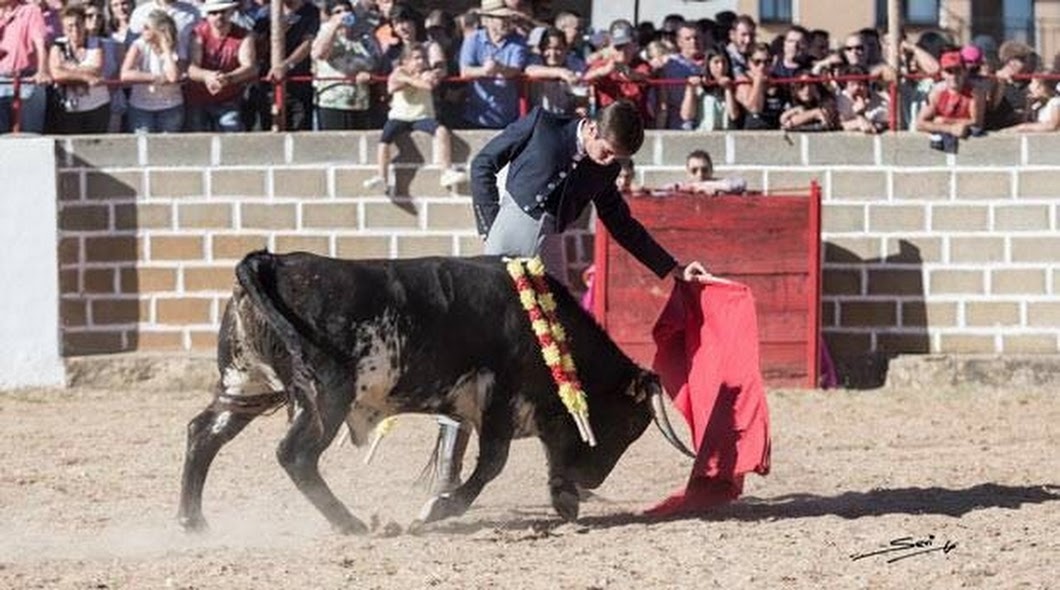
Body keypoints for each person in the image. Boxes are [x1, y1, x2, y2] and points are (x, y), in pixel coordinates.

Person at [425, 101, 711, 493]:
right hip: (504, 243)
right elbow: (483, 164)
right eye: (606, 151)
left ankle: (566, 471)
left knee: (560, 357)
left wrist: (671, 267)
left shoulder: (605, 168)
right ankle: (446, 469)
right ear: (591, 129)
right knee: (476, 355)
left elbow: (622, 224)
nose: (608, 162)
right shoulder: (542, 125)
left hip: (549, 254)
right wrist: (490, 228)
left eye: (616, 158)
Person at [363, 43, 467, 194]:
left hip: (421, 116)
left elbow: (428, 85)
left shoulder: (428, 73)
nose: (420, 61)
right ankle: (382, 177)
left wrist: (409, 80)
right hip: (399, 116)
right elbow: (391, 88)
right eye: (416, 58)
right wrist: (413, 79)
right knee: (384, 140)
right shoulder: (398, 72)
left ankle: (446, 171)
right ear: (405, 61)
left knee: (442, 131)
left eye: (423, 58)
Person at [185, 0, 256, 132]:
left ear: (231, 12)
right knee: (196, 139)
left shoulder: (244, 35)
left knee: (231, 134)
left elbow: (249, 67)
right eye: (213, 13)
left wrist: (227, 78)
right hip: (197, 98)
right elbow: (191, 67)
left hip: (229, 98)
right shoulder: (198, 33)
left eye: (223, 11)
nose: (219, 16)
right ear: (207, 15)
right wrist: (208, 76)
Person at [311, 0, 380, 130]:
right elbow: (320, 54)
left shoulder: (364, 38)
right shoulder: (325, 34)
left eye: (347, 10)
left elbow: (375, 63)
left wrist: (369, 75)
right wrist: (334, 26)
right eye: (338, 12)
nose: (344, 14)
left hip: (360, 101)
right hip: (332, 101)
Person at [458, 0, 528, 129]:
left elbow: (516, 69)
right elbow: (465, 71)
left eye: (508, 18)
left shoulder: (519, 41)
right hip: (476, 116)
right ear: (487, 20)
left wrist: (499, 68)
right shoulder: (473, 39)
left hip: (510, 118)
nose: (506, 22)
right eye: (501, 18)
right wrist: (484, 71)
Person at [49, 5, 112, 134]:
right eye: (70, 26)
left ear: (84, 24)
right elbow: (57, 74)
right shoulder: (58, 45)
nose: (75, 29)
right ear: (64, 29)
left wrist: (67, 68)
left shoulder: (96, 43)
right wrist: (85, 77)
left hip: (97, 105)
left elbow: (96, 69)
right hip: (68, 107)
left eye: (78, 24)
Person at [120, 9, 184, 132]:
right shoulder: (138, 45)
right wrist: (155, 78)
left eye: (147, 28)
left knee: (168, 143)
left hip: (170, 105)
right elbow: (125, 74)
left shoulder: (176, 46)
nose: (142, 31)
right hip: (141, 106)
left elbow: (172, 76)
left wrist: (165, 47)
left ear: (158, 30)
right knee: (143, 143)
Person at [0, 0, 52, 134]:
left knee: (29, 137)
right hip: (1, 81)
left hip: (26, 80)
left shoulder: (30, 10)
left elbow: (40, 42)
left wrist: (42, 71)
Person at [916, 49, 985, 150]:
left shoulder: (974, 93)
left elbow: (977, 122)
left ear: (964, 72)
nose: (954, 76)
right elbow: (920, 123)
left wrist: (944, 121)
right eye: (949, 72)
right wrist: (950, 128)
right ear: (942, 74)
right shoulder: (936, 92)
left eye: (958, 71)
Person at [525, 26, 586, 116]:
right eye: (548, 48)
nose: (552, 54)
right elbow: (530, 70)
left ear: (566, 48)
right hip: (539, 117)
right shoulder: (536, 60)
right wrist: (560, 72)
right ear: (541, 49)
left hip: (568, 117)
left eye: (558, 48)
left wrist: (580, 106)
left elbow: (581, 93)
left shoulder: (575, 63)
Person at [668, 149, 746, 195]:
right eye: (694, 170)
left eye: (704, 170)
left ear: (711, 170)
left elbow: (740, 183)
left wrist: (706, 186)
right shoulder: (683, 187)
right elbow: (666, 188)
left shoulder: (720, 184)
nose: (700, 174)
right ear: (688, 172)